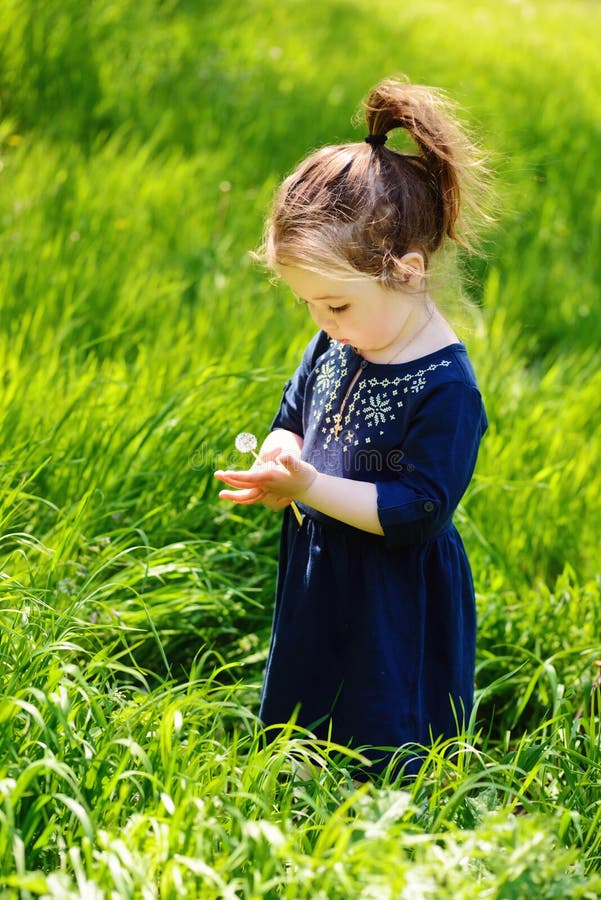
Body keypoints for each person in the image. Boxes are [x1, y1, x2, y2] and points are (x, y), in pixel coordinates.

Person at [214, 76, 489, 779]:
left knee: (381, 723)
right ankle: (296, 780)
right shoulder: (341, 340)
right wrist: (282, 455)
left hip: (391, 593)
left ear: (407, 273)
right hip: (322, 571)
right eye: (309, 305)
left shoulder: (445, 388)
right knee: (308, 692)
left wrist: (308, 487)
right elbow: (294, 414)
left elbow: (415, 511)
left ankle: (386, 824)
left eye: (334, 305)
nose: (321, 325)